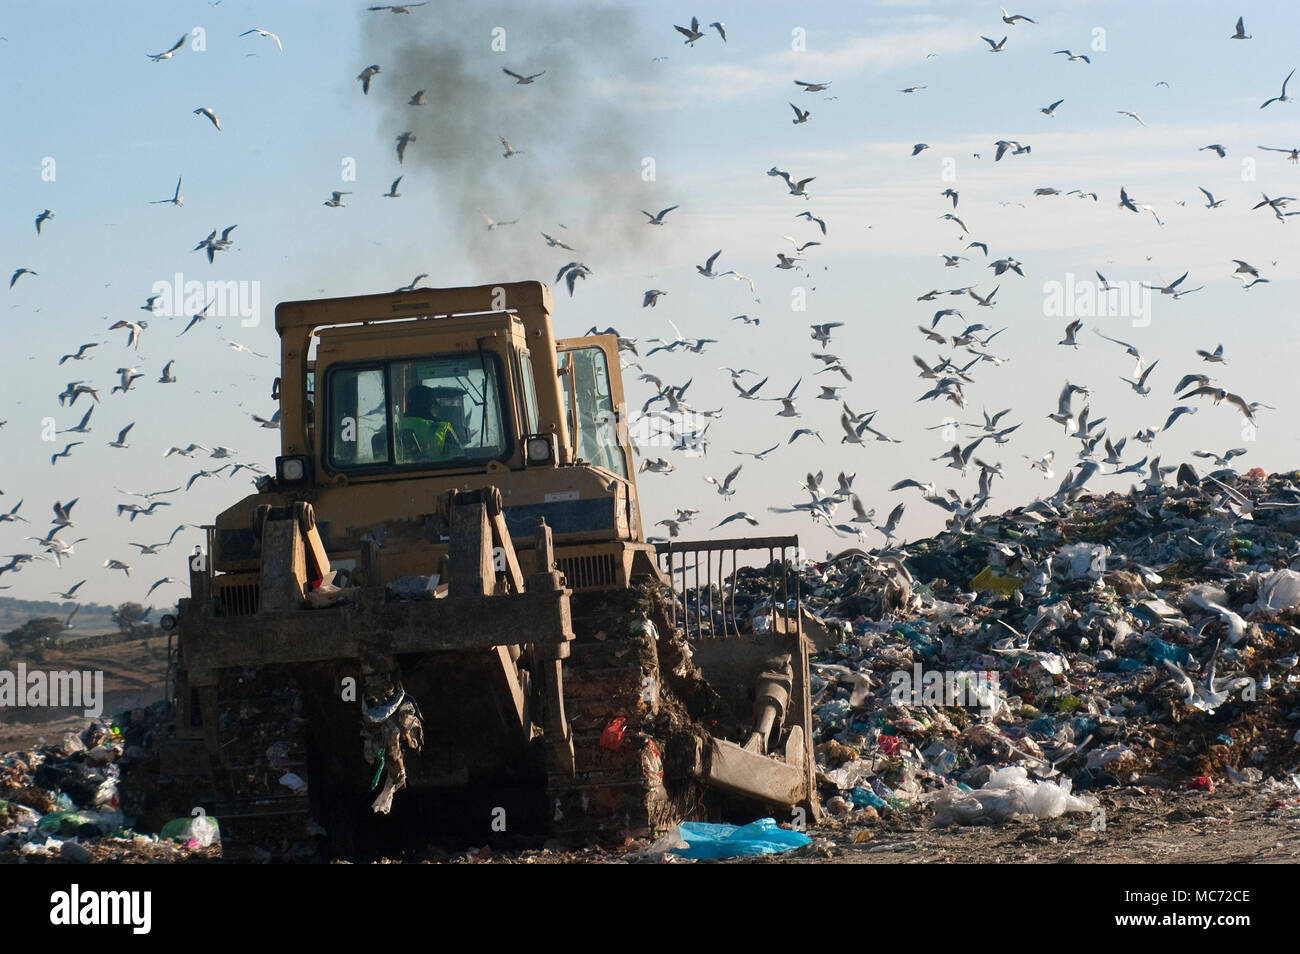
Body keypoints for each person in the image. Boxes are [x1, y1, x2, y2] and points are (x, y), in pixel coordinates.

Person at [397, 385, 462, 461]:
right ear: (431, 406)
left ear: (407, 405)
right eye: (434, 406)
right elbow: (458, 461)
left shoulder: (391, 429)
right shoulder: (442, 430)